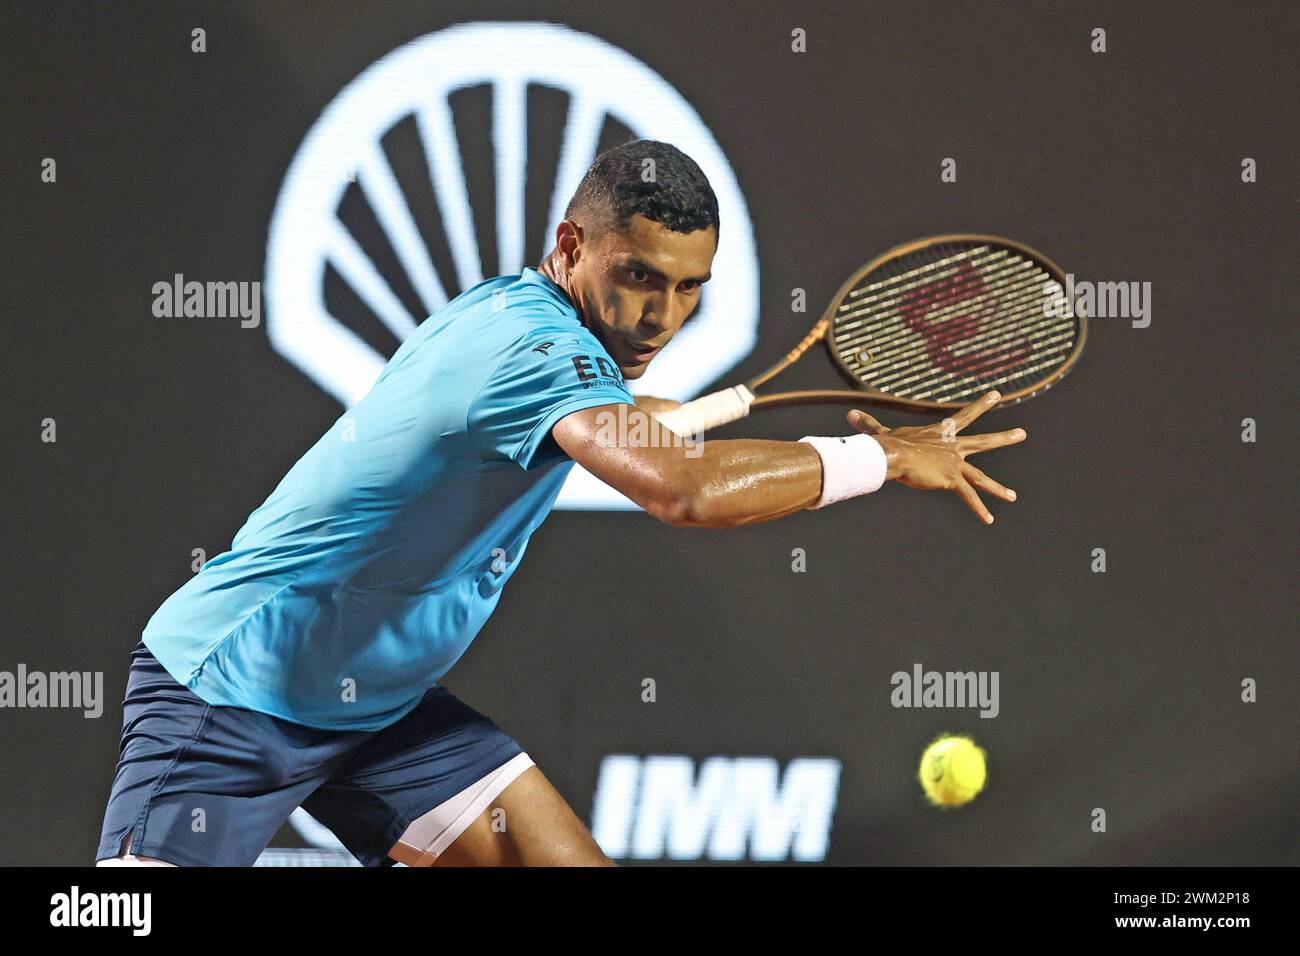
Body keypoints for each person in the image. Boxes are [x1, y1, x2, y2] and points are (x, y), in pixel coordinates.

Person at [96, 140, 1024, 867]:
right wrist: (879, 460)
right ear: (572, 246)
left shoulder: (524, 322)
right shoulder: (533, 351)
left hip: (374, 705)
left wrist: (670, 427)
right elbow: (680, 490)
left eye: (688, 288)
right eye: (639, 278)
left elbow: (633, 428)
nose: (661, 317)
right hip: (228, 690)